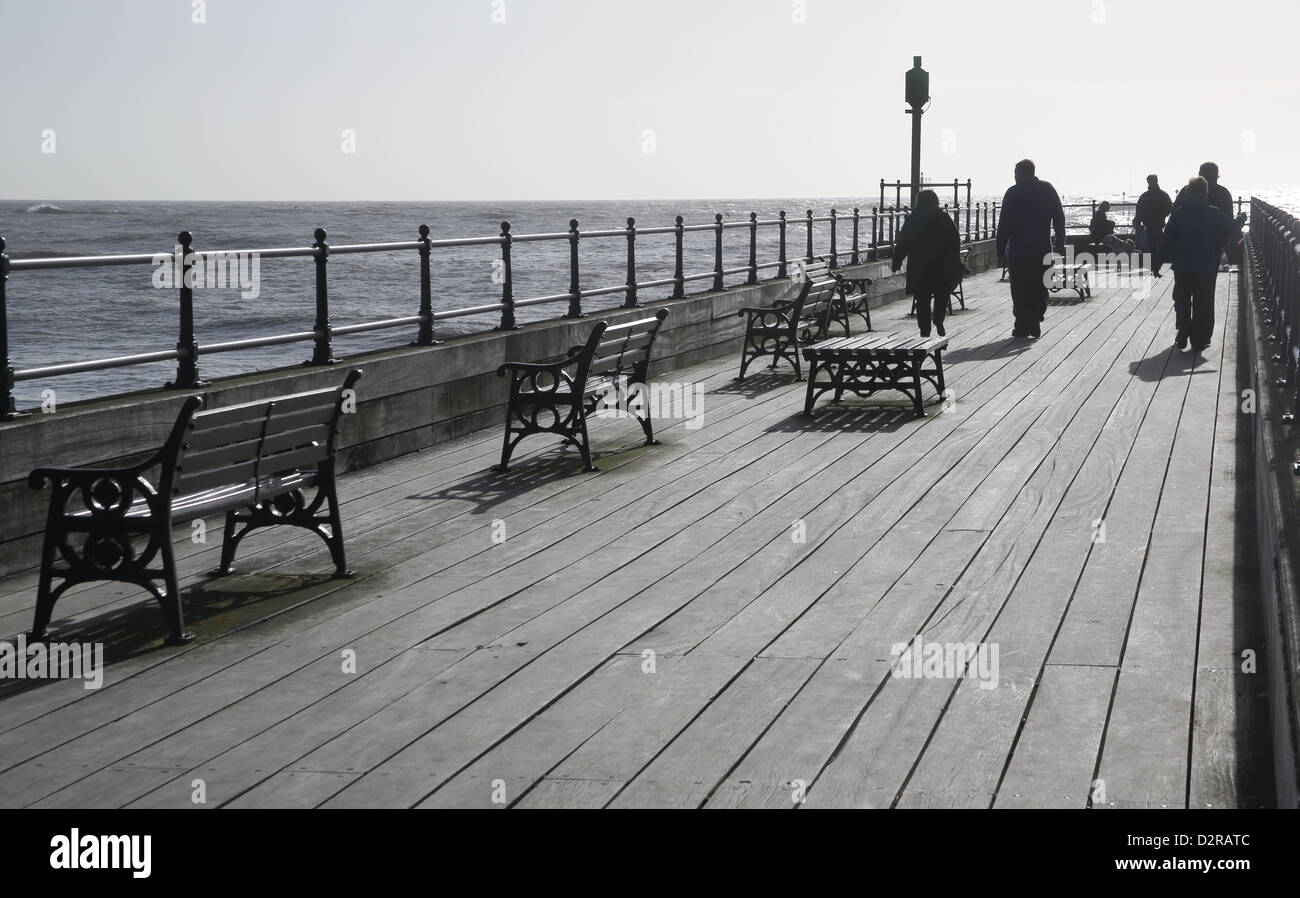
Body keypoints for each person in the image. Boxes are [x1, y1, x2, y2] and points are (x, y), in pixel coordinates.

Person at [1154, 176, 1238, 354]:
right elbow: (1231, 226)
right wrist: (1241, 219)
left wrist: (1158, 262)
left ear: (1188, 192)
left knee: (1182, 298)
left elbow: (1167, 239)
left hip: (1183, 265)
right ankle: (1199, 340)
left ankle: (1183, 326)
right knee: (1203, 302)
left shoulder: (1179, 213)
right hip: (1205, 265)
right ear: (1204, 193)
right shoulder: (1212, 212)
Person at [996, 158, 1066, 338]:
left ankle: (1021, 324)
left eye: (1015, 172)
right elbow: (1059, 217)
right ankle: (1035, 320)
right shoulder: (1047, 189)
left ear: (1020, 173)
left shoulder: (1012, 193)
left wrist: (1000, 251)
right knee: (1039, 286)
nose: (1014, 175)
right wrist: (1060, 242)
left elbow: (1003, 225)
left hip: (1018, 252)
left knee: (1019, 289)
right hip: (1042, 250)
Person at [891, 189, 962, 337]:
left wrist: (897, 260)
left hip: (919, 265)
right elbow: (955, 238)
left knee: (922, 299)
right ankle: (938, 319)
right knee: (942, 294)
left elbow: (903, 241)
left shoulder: (913, 218)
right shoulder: (943, 217)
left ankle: (924, 329)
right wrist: (954, 256)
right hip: (941, 264)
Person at [1133, 174, 1172, 256]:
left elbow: (1139, 209)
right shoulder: (1163, 195)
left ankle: (1153, 263)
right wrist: (1162, 215)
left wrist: (1138, 220)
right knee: (1155, 244)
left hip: (1151, 223)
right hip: (1155, 223)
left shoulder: (1145, 196)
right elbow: (1169, 208)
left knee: (1150, 244)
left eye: (1149, 181)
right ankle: (1155, 264)